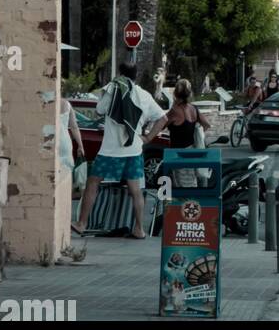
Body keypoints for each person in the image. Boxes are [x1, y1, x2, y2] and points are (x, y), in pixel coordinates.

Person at [72, 62, 169, 239]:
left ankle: (82, 223)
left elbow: (100, 110)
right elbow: (163, 119)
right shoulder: (144, 95)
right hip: (133, 150)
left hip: (110, 150)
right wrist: (148, 138)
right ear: (136, 75)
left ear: (119, 73)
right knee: (136, 190)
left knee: (93, 183)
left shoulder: (113, 88)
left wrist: (106, 93)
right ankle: (139, 229)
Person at [165, 79, 206, 148]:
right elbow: (206, 125)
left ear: (175, 93)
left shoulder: (174, 111)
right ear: (189, 93)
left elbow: (161, 125)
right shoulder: (194, 109)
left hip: (177, 154)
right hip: (191, 152)